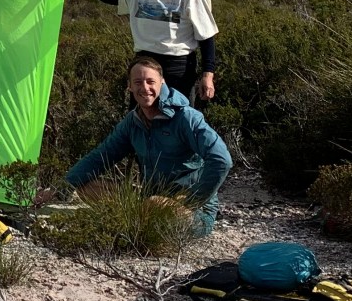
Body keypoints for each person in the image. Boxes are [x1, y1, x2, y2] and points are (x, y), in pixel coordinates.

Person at [62, 54, 232, 235]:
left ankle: (139, 225)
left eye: (151, 81)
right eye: (138, 82)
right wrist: (61, 187)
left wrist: (193, 199)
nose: (145, 88)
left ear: (162, 82)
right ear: (129, 86)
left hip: (192, 211)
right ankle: (139, 222)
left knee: (153, 205)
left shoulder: (185, 117)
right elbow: (101, 156)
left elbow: (221, 159)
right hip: (150, 197)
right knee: (86, 189)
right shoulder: (133, 122)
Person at [66, 0, 218, 103]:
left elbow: (206, 37)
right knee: (142, 121)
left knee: (176, 122)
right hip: (143, 68)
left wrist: (207, 75)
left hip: (178, 69)